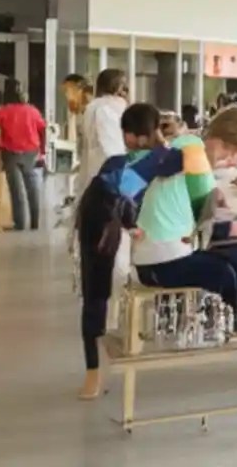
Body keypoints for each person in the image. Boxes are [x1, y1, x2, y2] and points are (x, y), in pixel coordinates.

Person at [131, 105, 237, 414]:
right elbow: (209, 218)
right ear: (223, 140)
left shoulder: (188, 146)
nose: (235, 161)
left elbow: (207, 211)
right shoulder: (193, 151)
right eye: (235, 152)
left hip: (164, 252)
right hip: (160, 261)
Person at [75, 103, 176, 400]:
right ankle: (95, 370)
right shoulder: (164, 157)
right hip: (107, 220)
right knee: (99, 293)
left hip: (99, 220)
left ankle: (93, 373)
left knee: (96, 294)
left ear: (134, 137)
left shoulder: (120, 164)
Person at [0, 90, 46, 231]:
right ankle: (34, 223)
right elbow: (43, 129)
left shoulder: (0, 112)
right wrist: (43, 150)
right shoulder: (33, 111)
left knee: (17, 190)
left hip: (10, 153)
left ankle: (20, 224)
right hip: (31, 153)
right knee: (33, 187)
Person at [80, 69, 130, 191]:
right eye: (123, 84)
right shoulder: (106, 109)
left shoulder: (95, 107)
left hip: (95, 167)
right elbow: (112, 148)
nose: (126, 90)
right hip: (106, 171)